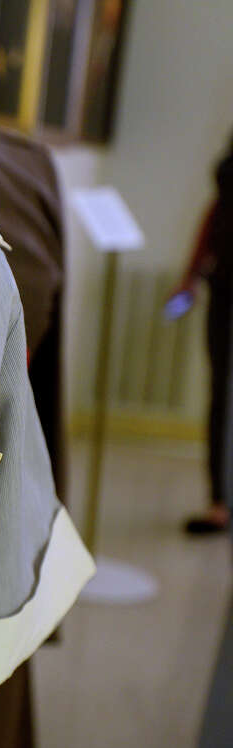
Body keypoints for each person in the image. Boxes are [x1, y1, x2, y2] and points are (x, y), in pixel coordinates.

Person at [173, 130, 233, 534]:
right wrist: (192, 274)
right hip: (224, 288)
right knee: (222, 395)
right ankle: (220, 500)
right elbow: (217, 212)